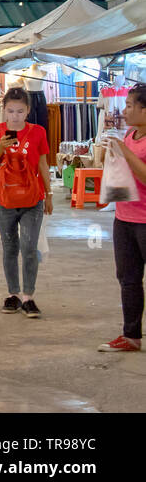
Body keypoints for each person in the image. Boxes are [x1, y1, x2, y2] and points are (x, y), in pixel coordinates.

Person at [0, 87, 52, 309]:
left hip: (33, 199)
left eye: (20, 111)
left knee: (29, 248)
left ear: (28, 110)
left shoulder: (38, 132)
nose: (15, 116)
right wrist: (0, 147)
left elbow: (43, 164)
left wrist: (49, 194)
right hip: (3, 200)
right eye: (10, 111)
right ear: (4, 110)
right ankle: (13, 294)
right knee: (9, 248)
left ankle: (29, 296)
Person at [101, 84, 146, 352]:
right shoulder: (130, 134)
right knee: (128, 278)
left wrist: (124, 152)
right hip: (125, 218)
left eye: (130, 105)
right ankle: (131, 335)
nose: (125, 110)